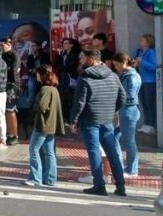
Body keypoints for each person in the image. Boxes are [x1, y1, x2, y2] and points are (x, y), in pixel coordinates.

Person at [68, 49, 126, 196]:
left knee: (94, 152)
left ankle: (99, 185)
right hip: (107, 119)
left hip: (90, 119)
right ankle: (120, 186)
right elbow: (122, 97)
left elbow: (80, 102)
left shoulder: (85, 77)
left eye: (83, 58)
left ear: (91, 60)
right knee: (112, 152)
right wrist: (112, 110)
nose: (80, 61)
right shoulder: (113, 75)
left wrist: (73, 121)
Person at [27, 64, 64, 186]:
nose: (36, 76)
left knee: (34, 150)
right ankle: (50, 178)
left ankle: (35, 178)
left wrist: (35, 106)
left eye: (37, 74)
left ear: (41, 75)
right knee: (50, 152)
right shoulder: (54, 89)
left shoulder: (44, 89)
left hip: (42, 124)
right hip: (52, 125)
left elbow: (42, 107)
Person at [113, 52, 141, 177]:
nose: (116, 67)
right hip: (124, 109)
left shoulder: (132, 77)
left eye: (117, 65)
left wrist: (117, 99)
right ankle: (121, 165)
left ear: (123, 62)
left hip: (129, 110)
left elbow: (131, 96)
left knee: (129, 141)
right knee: (114, 137)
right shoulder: (125, 75)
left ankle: (132, 169)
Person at [133, 34, 156, 134]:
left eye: (142, 40)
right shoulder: (139, 51)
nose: (140, 41)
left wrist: (142, 62)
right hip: (141, 80)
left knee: (150, 103)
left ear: (148, 42)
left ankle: (151, 125)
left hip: (149, 81)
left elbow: (154, 67)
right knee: (144, 103)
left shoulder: (151, 52)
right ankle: (146, 124)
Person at [0, 38, 21, 145]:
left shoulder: (15, 56)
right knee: (5, 111)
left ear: (9, 45)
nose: (1, 47)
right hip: (4, 85)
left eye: (3, 45)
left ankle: (14, 135)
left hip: (13, 85)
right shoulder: (2, 56)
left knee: (10, 109)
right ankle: (9, 133)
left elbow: (14, 71)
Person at [57, 37, 81, 115]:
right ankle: (66, 117)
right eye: (63, 43)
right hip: (62, 79)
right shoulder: (62, 55)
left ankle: (72, 117)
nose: (64, 45)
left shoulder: (74, 55)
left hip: (71, 78)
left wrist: (62, 68)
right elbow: (57, 66)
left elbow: (71, 67)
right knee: (63, 98)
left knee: (71, 98)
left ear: (71, 45)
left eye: (66, 43)